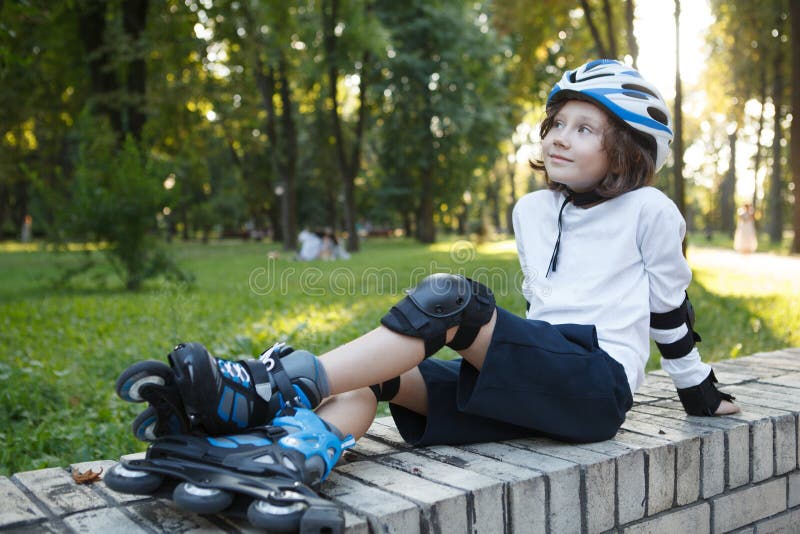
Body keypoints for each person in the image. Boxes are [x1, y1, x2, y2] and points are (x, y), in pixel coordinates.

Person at [130, 60, 738, 468]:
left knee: (452, 301)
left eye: (585, 128)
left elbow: (669, 312)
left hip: (595, 388)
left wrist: (699, 393)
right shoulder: (531, 211)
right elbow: (541, 311)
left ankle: (271, 384)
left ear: (629, 149)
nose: (559, 136)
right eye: (557, 122)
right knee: (374, 375)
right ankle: (297, 449)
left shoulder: (650, 210)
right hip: (541, 380)